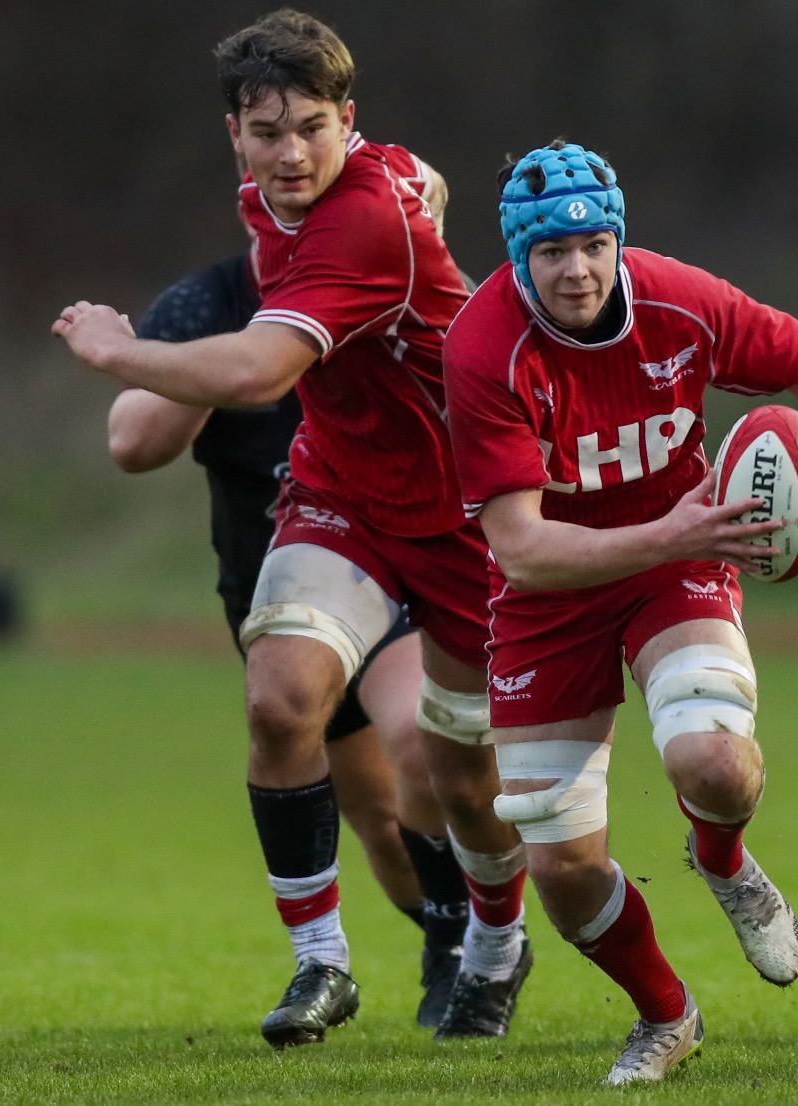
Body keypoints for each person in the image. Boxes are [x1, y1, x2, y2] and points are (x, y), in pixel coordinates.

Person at [54, 9, 531, 1047]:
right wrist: (427, 192)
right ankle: (322, 964)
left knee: (459, 775)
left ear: (346, 122)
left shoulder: (358, 213)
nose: (290, 151)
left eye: (312, 127)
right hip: (341, 495)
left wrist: (115, 349)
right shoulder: (279, 196)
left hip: (457, 509)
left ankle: (496, 940)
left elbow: (260, 372)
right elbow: (422, 179)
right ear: (235, 132)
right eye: (267, 131)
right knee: (279, 703)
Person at [443, 141, 798, 1084]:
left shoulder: (680, 300)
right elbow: (519, 546)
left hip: (682, 562)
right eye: (552, 252)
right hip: (550, 593)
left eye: (594, 244)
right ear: (520, 257)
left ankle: (723, 861)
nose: (577, 268)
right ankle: (666, 1015)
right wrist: (673, 533)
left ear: (618, 241)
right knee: (559, 866)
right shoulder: (481, 347)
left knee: (712, 761)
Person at [105, 241, 471, 1032]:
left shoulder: (406, 288)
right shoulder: (213, 301)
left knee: (414, 737)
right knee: (376, 816)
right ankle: (441, 933)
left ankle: (462, 950)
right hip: (275, 588)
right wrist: (229, 366)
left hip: (390, 559)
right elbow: (133, 443)